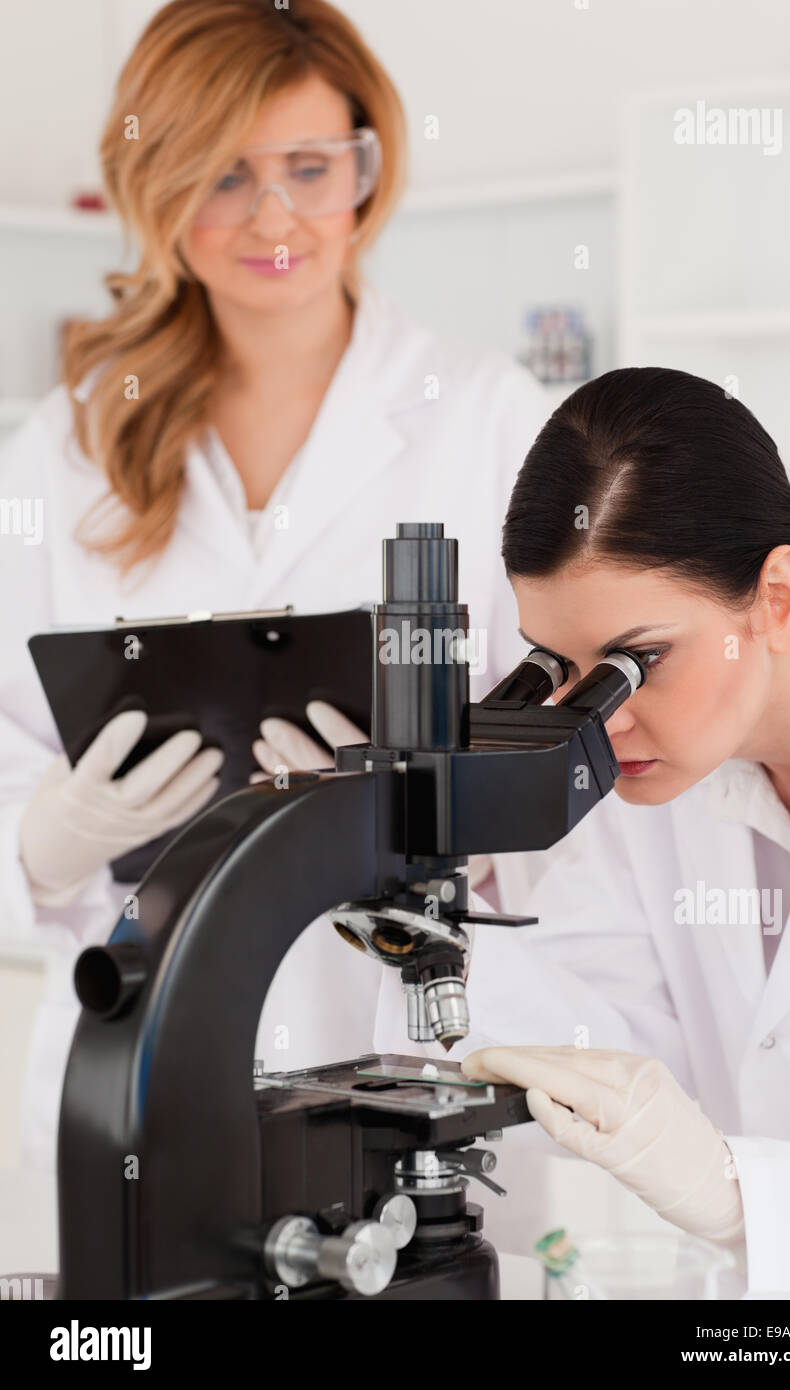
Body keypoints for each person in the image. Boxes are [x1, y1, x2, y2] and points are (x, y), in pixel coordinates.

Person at [0, 0, 550, 1171]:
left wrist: (435, 810)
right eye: (222, 177)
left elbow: (579, 753)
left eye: (310, 167)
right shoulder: (68, 446)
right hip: (136, 1054)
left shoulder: (492, 418)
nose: (276, 216)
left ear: (367, 167)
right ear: (155, 188)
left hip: (406, 1049)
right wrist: (43, 840)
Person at [374, 366, 790, 1294]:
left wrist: (740, 1195)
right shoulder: (641, 769)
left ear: (780, 601)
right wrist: (422, 886)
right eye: (556, 667)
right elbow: (595, 1031)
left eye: (635, 665)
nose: (597, 716)